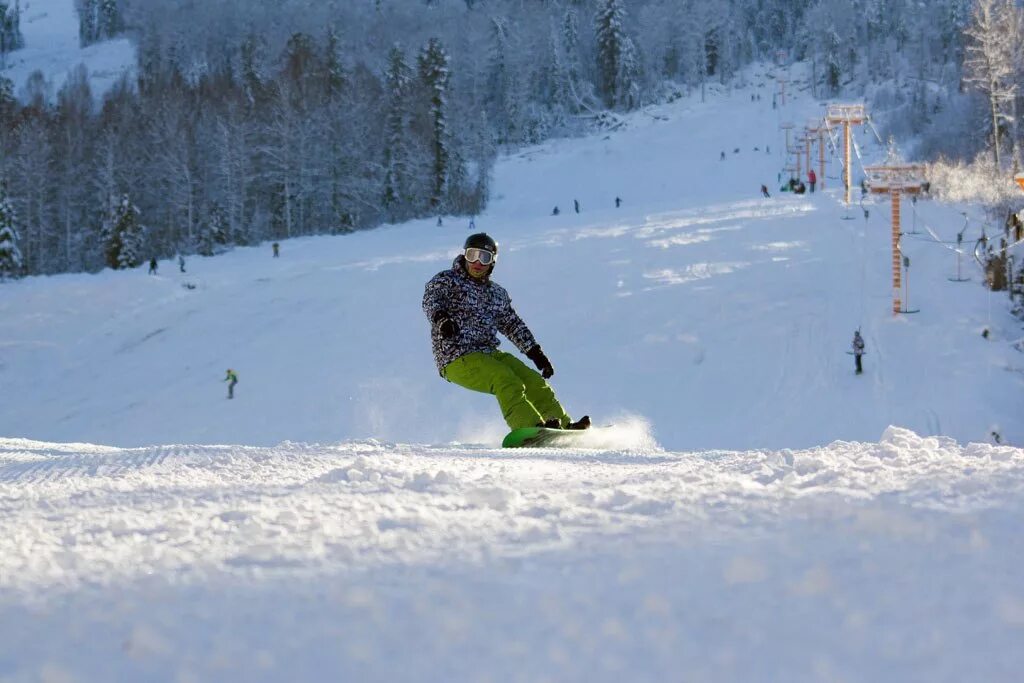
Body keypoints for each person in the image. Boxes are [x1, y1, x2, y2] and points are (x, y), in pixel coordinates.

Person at [422, 233, 590, 432]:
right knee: (504, 378)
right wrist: (442, 319)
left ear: (492, 262)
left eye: (484, 257)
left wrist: (535, 352)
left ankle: (562, 425)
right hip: (456, 356)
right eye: (472, 255)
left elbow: (512, 324)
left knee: (532, 380)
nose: (477, 262)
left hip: (489, 353)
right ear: (464, 255)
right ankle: (529, 427)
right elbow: (431, 300)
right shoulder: (447, 280)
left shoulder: (496, 294)